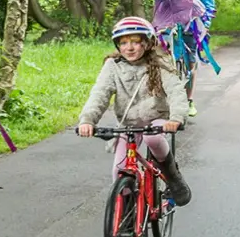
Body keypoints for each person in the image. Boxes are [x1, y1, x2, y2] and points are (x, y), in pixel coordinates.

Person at [76, 16, 190, 205]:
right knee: (119, 169)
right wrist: (87, 120)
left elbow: (176, 91)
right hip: (128, 123)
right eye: (123, 42)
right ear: (117, 45)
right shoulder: (112, 66)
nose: (129, 47)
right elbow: (99, 94)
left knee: (151, 138)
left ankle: (172, 175)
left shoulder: (160, 62)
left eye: (135, 42)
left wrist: (177, 118)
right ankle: (126, 215)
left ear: (147, 43)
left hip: (157, 119)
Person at [155, 0, 216, 117]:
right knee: (164, 59)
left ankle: (189, 100)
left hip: (193, 22)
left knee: (190, 62)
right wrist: (160, 24)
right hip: (171, 21)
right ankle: (164, 97)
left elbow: (208, 4)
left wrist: (205, 22)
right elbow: (159, 1)